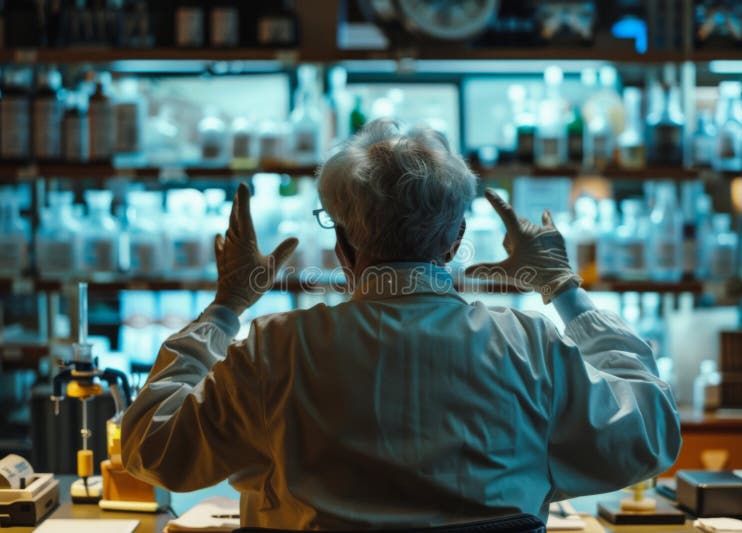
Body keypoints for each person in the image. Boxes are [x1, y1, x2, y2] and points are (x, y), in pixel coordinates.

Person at [122, 119, 681, 529]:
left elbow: (151, 450)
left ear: (342, 244)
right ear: (456, 240)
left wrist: (225, 307)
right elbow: (653, 432)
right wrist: (562, 289)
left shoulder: (275, 350)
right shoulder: (527, 345)